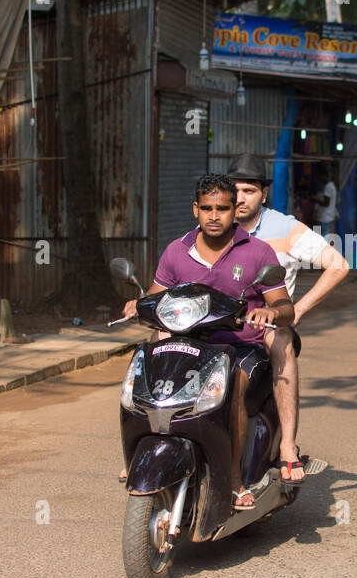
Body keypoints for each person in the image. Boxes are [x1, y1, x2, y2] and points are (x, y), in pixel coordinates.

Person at [119, 174, 294, 511]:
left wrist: (271, 312)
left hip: (240, 346)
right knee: (144, 376)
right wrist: (137, 304)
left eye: (222, 209)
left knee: (233, 389)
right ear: (195, 210)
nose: (214, 216)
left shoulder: (258, 252)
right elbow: (156, 297)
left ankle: (234, 480)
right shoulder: (177, 251)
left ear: (234, 211)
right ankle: (142, 454)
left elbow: (286, 307)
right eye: (207, 209)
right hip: (189, 345)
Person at [227, 153, 349, 483]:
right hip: (221, 325)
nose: (240, 198)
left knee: (282, 341)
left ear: (264, 193)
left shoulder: (285, 227)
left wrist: (298, 311)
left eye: (249, 190)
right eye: (235, 190)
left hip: (269, 325)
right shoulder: (216, 224)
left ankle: (287, 446)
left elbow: (338, 265)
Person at [314, 171, 338, 236]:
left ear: (324, 176)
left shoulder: (328, 187)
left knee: (322, 239)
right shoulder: (332, 186)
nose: (319, 179)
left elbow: (326, 203)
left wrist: (315, 200)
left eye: (320, 177)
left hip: (324, 218)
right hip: (326, 218)